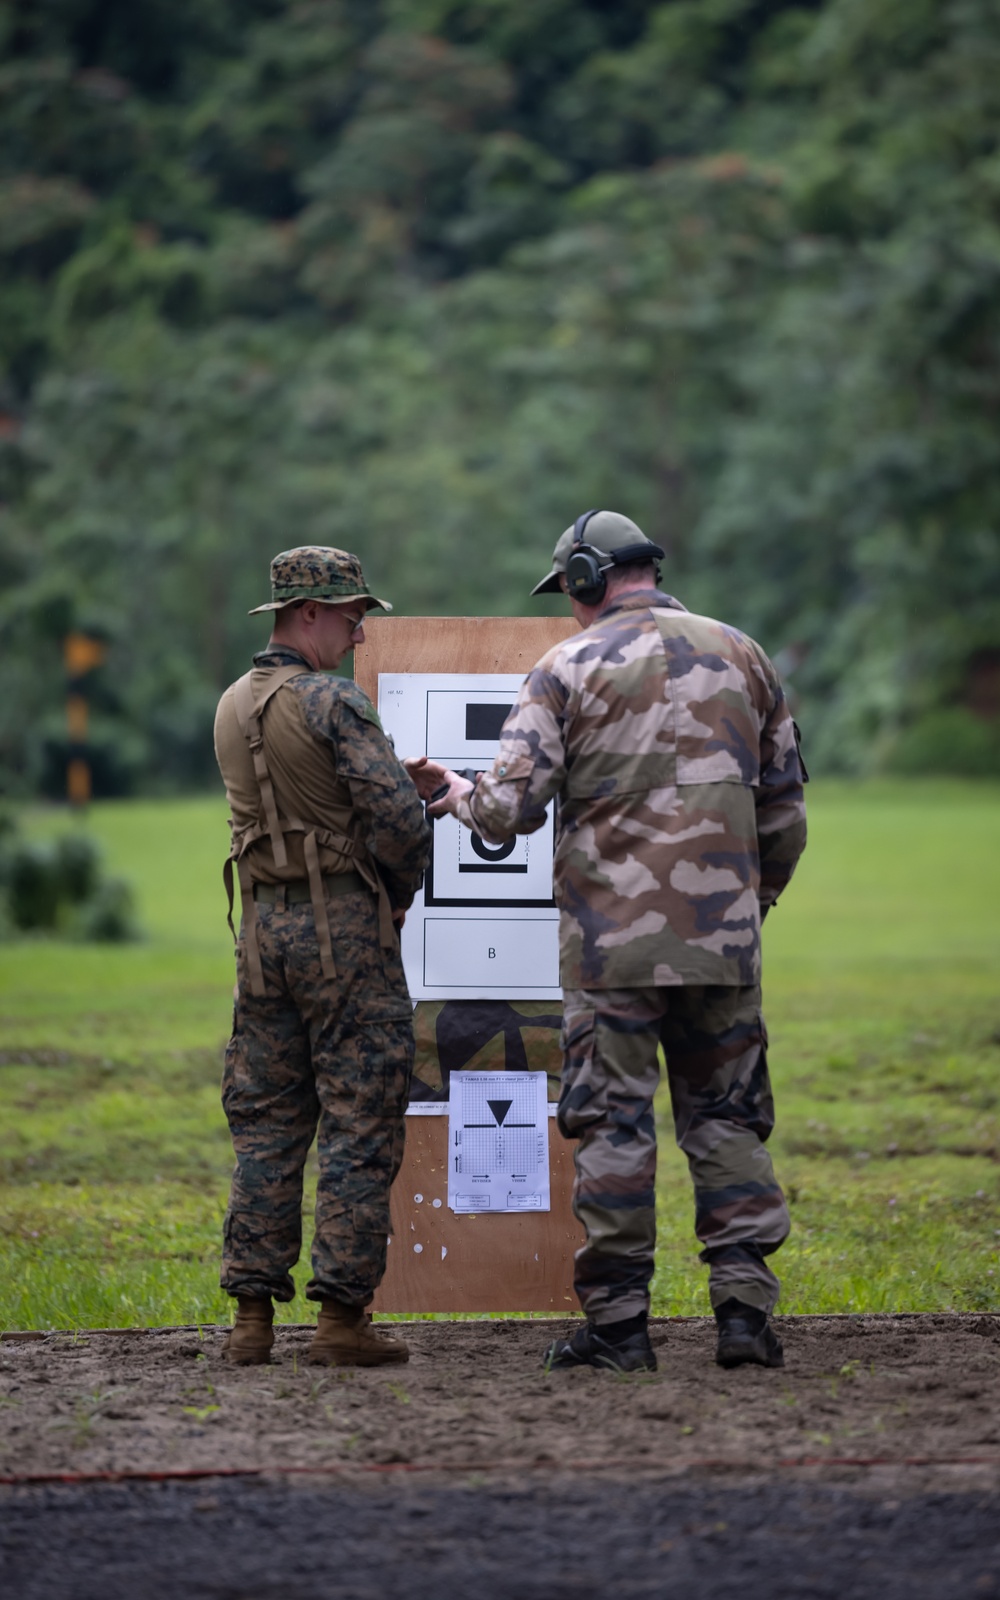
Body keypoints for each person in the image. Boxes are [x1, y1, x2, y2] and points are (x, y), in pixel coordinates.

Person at [405, 511, 807, 1374]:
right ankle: (743, 1318)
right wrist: (747, 904)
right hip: (723, 946)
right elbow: (786, 814)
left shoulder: (564, 669)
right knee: (729, 1121)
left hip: (608, 950)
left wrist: (453, 795)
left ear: (587, 578)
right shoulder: (745, 655)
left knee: (617, 1129)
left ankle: (621, 1330)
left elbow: (509, 809)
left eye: (570, 594)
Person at [214, 546, 431, 1367]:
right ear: (307, 615)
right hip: (344, 933)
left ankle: (250, 1323)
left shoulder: (233, 704)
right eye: (351, 615)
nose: (361, 631)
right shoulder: (335, 701)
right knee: (358, 1120)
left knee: (267, 1126)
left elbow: (293, 800)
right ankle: (341, 1323)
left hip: (262, 936)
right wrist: (399, 891)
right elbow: (400, 826)